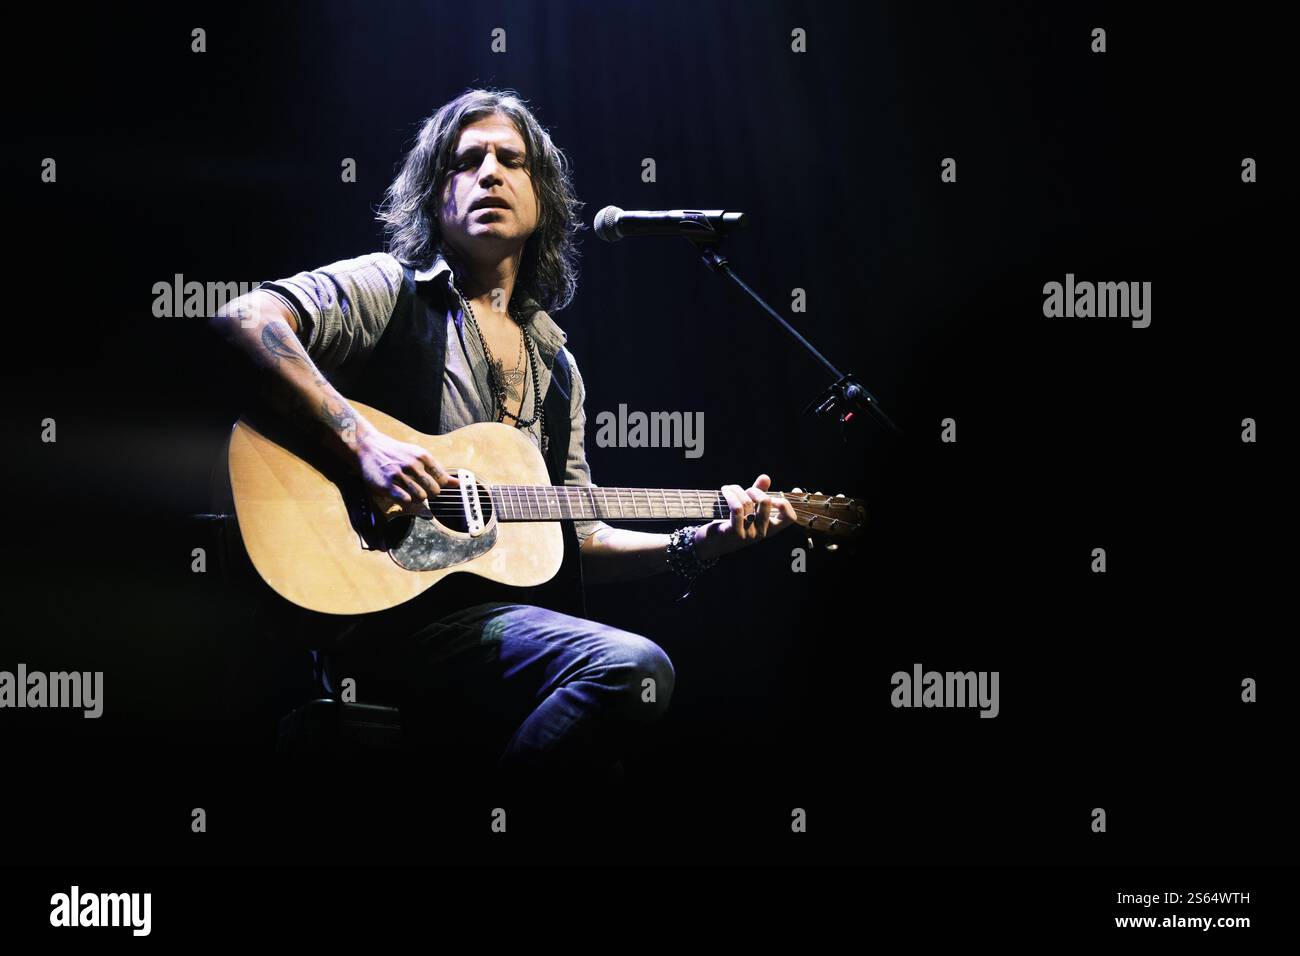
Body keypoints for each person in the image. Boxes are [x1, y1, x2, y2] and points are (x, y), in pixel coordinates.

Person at [209, 88, 798, 780]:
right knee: (631, 667)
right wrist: (364, 447)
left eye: (510, 161)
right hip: (378, 610)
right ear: (435, 196)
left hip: (494, 633)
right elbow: (243, 318)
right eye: (467, 162)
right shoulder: (388, 289)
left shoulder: (559, 370)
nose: (489, 173)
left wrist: (701, 542)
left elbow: (578, 537)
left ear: (541, 199)